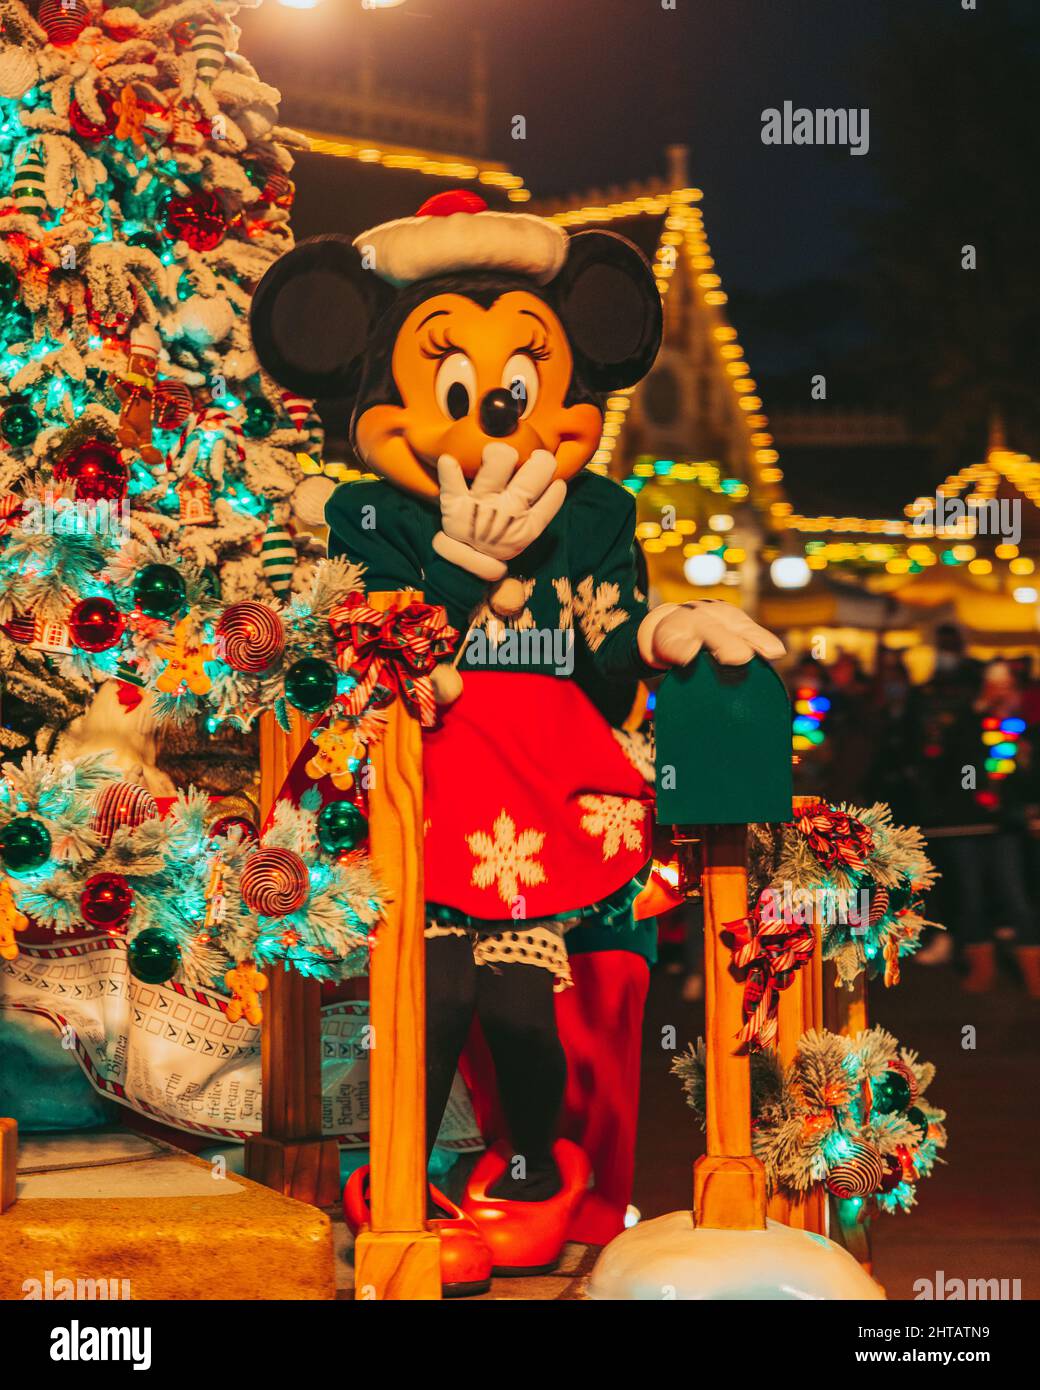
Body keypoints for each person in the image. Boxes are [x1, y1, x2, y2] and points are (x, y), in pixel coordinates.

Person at [928, 659, 1040, 994]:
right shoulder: (966, 722)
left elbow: (1028, 779)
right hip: (964, 824)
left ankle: (1033, 971)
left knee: (1014, 895)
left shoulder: (1023, 728)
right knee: (970, 896)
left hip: (1005, 827)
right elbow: (955, 764)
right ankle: (982, 968)